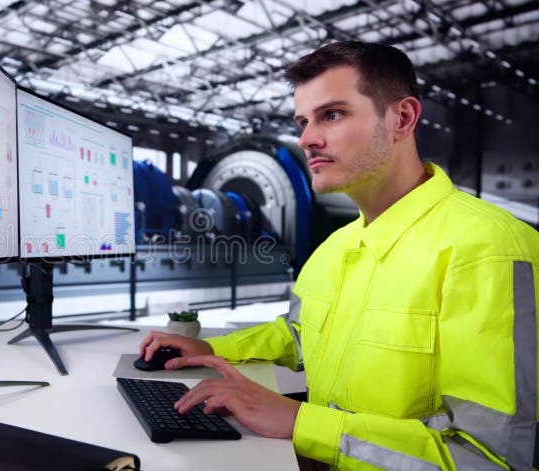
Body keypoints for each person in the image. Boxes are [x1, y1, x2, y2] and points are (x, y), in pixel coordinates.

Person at [139, 40, 538, 470]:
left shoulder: (489, 250)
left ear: (402, 118)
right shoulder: (335, 248)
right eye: (303, 121)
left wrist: (300, 422)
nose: (307, 139)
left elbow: (491, 459)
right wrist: (208, 347)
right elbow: (300, 335)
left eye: (332, 114)